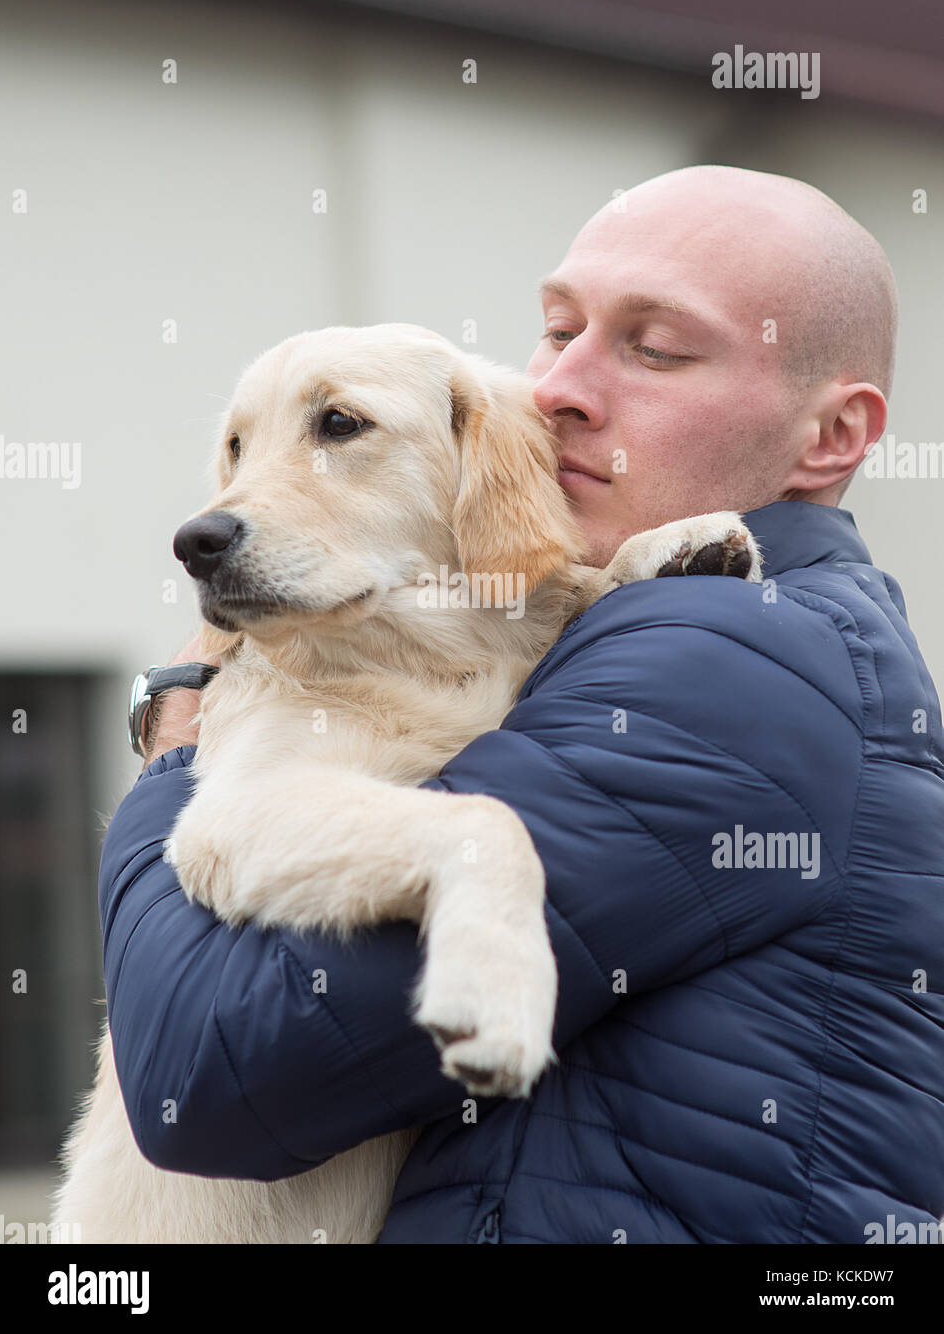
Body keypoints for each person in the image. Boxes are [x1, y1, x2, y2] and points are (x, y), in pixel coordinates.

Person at [102, 166, 944, 1243]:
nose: (557, 391)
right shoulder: (637, 625)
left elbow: (207, 1071)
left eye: (655, 347)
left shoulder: (741, 652)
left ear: (830, 436)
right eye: (556, 330)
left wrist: (171, 747)